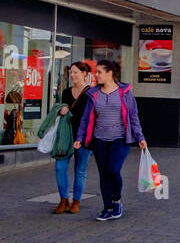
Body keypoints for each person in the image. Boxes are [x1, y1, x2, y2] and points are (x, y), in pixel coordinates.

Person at [74, 59, 147, 220]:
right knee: (103, 174)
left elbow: (133, 116)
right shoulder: (93, 94)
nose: (96, 75)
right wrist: (80, 137)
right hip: (99, 139)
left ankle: (116, 200)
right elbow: (85, 119)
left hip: (120, 139)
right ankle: (107, 207)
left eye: (99, 72)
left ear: (110, 73)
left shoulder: (125, 92)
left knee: (113, 170)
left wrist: (140, 137)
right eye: (96, 72)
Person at [51, 60, 92, 214]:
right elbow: (59, 108)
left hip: (82, 138)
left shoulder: (91, 93)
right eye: (71, 72)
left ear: (84, 74)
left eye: (75, 72)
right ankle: (63, 200)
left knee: (80, 170)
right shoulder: (66, 92)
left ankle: (76, 201)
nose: (72, 75)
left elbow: (92, 117)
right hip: (65, 137)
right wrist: (60, 109)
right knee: (60, 167)